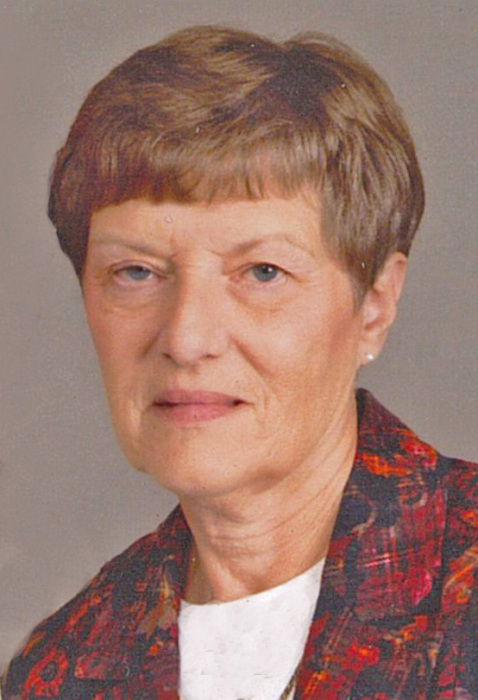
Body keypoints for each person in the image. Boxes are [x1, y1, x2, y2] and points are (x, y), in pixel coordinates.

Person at [2, 24, 477, 700]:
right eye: (136, 272)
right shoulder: (62, 666)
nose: (186, 337)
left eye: (262, 272)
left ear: (374, 305)